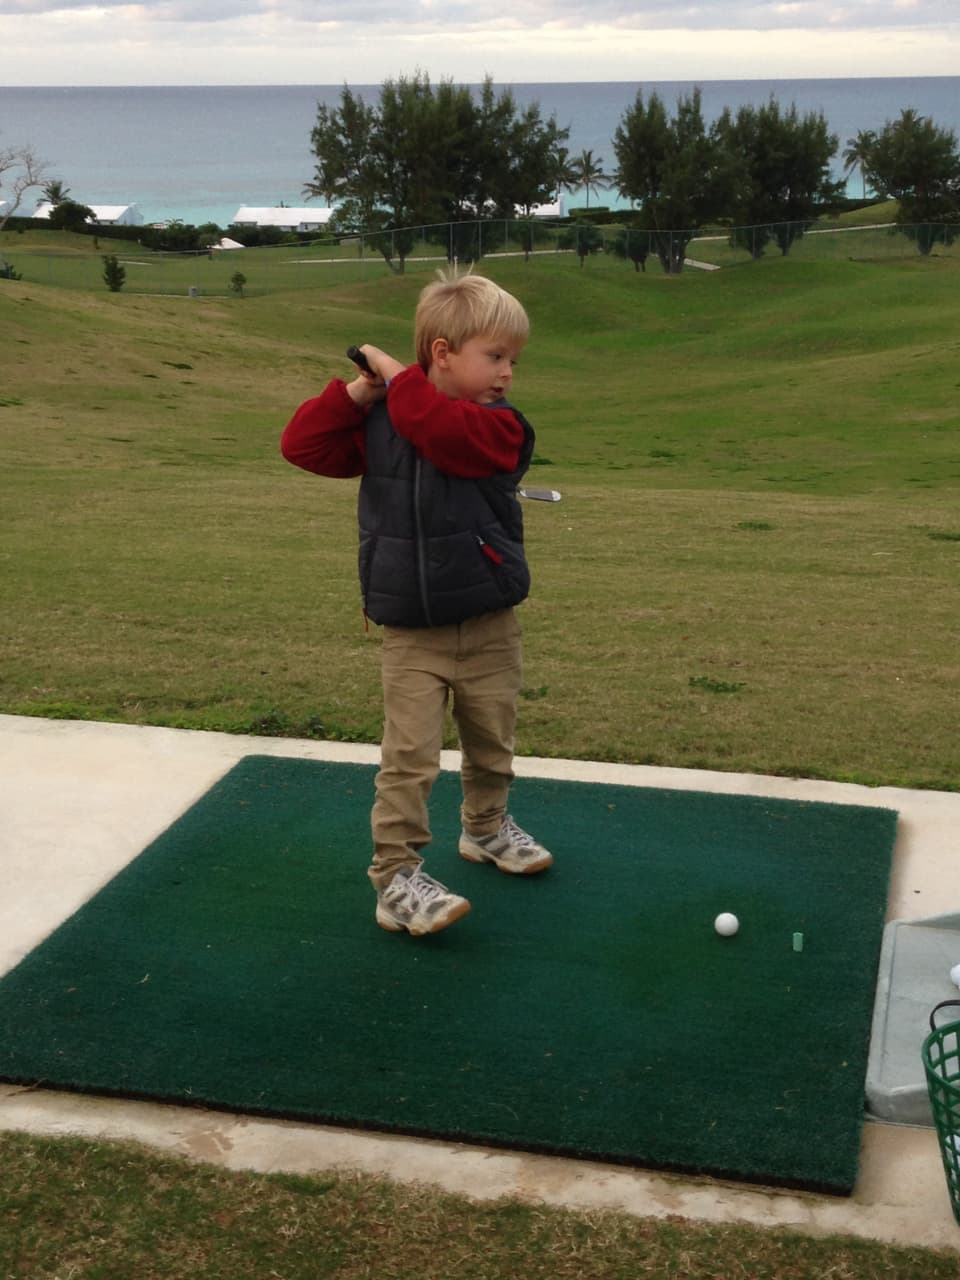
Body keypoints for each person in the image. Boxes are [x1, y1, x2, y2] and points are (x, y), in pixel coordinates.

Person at [280, 270, 553, 937]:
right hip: (412, 633)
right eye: (495, 357)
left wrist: (396, 377)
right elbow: (303, 445)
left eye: (512, 360)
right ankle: (395, 878)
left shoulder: (500, 428)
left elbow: (439, 429)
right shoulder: (383, 422)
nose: (507, 373)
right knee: (410, 759)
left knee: (492, 744)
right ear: (442, 352)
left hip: (488, 621)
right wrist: (360, 390)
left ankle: (485, 830)